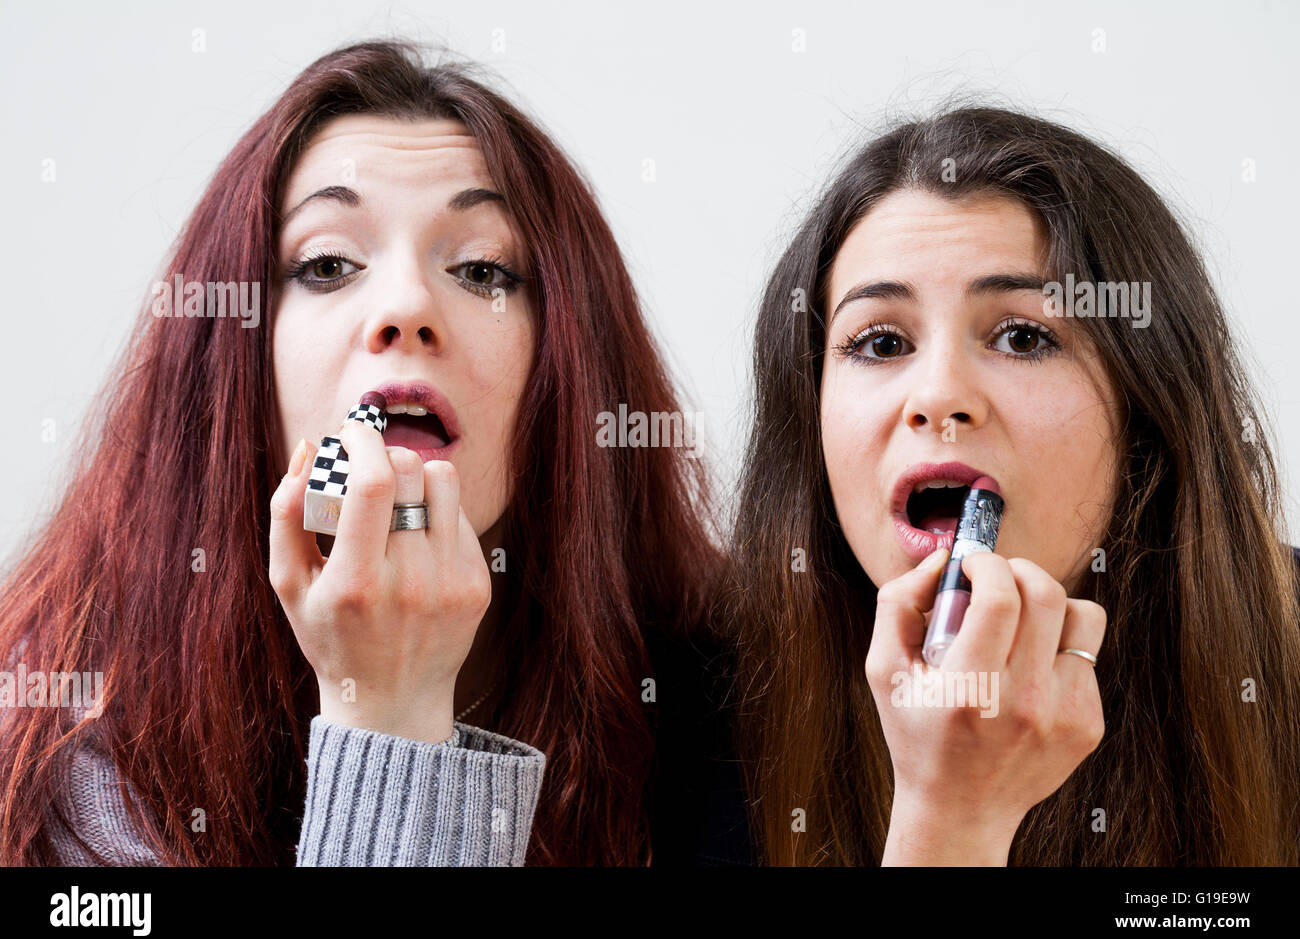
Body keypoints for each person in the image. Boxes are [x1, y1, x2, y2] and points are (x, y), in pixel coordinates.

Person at [0, 40, 735, 866]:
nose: (406, 307)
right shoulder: (71, 733)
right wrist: (387, 710)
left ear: (570, 365)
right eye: (327, 264)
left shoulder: (729, 709)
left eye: (484, 270)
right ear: (229, 362)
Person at [724, 106, 1300, 865]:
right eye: (882, 342)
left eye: (1024, 336)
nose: (938, 396)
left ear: (1148, 408)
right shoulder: (708, 716)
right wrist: (947, 820)